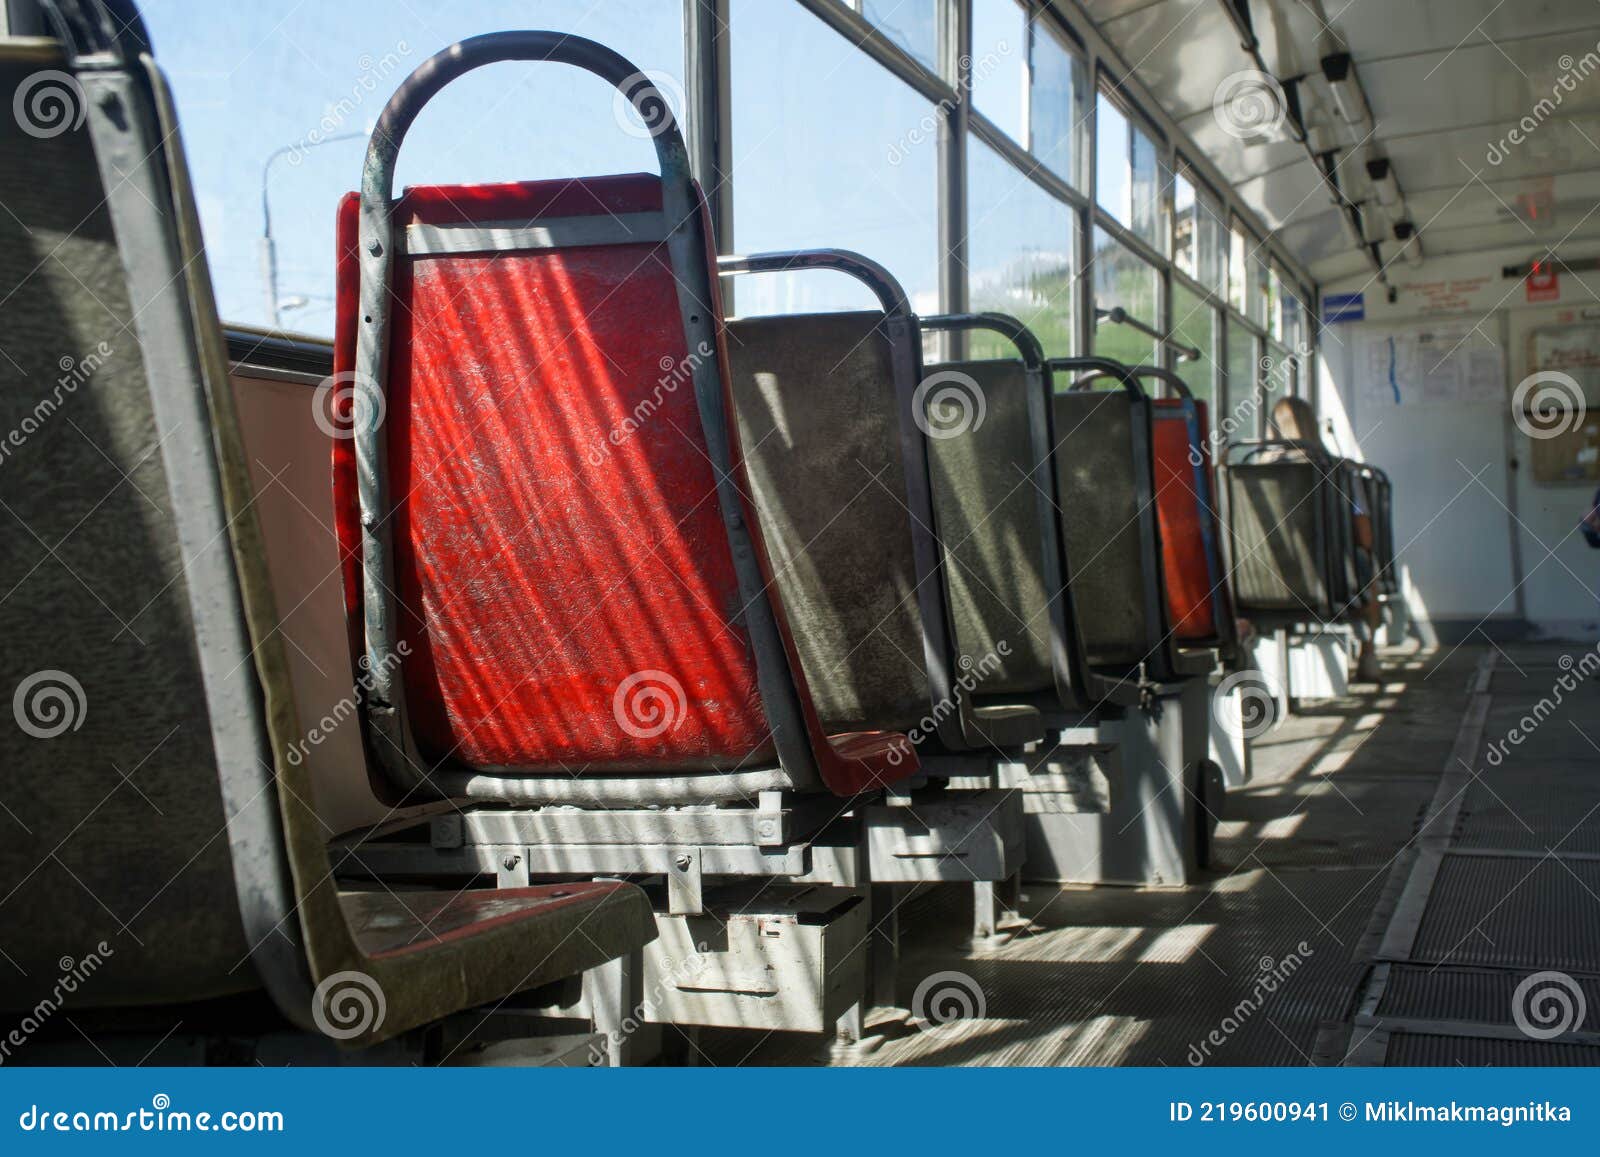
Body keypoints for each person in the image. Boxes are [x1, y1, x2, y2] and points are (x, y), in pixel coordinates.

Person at [1268, 396, 1384, 684]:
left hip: (1267, 579)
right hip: (1328, 579)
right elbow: (1364, 534)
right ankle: (1368, 654)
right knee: (1366, 563)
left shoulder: (1254, 469)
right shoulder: (1340, 472)